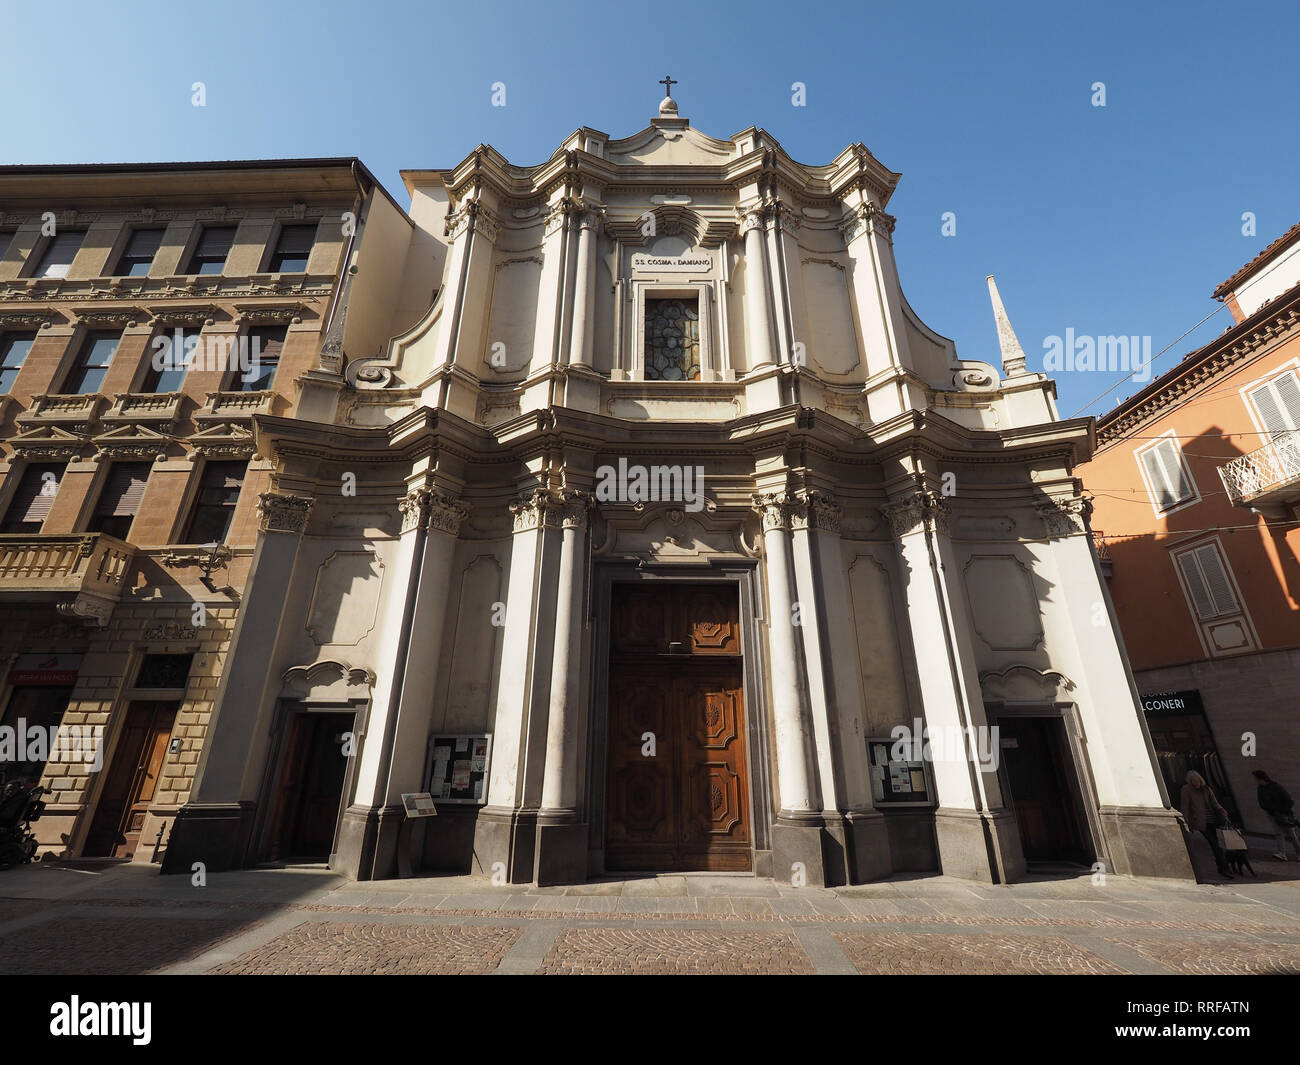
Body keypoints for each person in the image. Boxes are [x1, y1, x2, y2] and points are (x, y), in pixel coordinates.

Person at [1180, 770, 1233, 878]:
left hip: (1214, 820)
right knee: (1215, 844)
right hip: (1201, 822)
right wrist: (1186, 821)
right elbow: (1185, 806)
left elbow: (1214, 803)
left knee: (1220, 844)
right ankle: (1224, 868)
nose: (1196, 783)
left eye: (1197, 781)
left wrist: (1222, 810)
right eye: (1193, 781)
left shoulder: (1206, 789)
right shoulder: (1186, 790)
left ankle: (1222, 866)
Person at [1252, 769, 1300, 862]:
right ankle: (1282, 853)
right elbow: (1261, 802)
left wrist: (1280, 810)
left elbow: (1289, 801)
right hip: (1272, 814)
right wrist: (1269, 809)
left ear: (1261, 779)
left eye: (1256, 779)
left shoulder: (1276, 787)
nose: (1255, 781)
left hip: (1284, 814)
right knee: (1278, 833)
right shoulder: (1260, 788)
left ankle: (1298, 853)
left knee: (1291, 834)